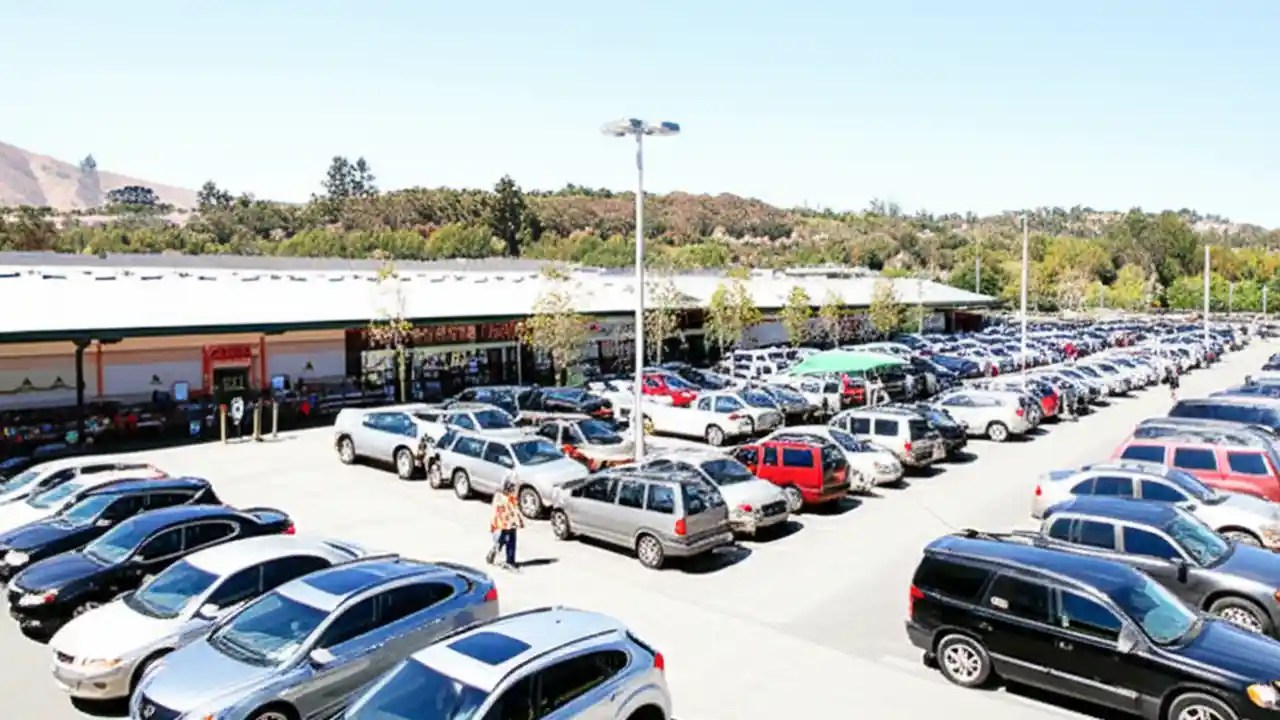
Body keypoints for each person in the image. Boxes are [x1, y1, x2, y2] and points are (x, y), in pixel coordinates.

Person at [487, 476, 524, 570]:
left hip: (511, 522)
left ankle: (510, 561)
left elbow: (515, 509)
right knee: (503, 539)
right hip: (503, 523)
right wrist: (503, 523)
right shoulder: (500, 497)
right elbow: (499, 512)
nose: (514, 489)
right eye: (512, 487)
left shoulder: (511, 497)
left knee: (512, 541)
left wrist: (518, 520)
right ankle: (495, 550)